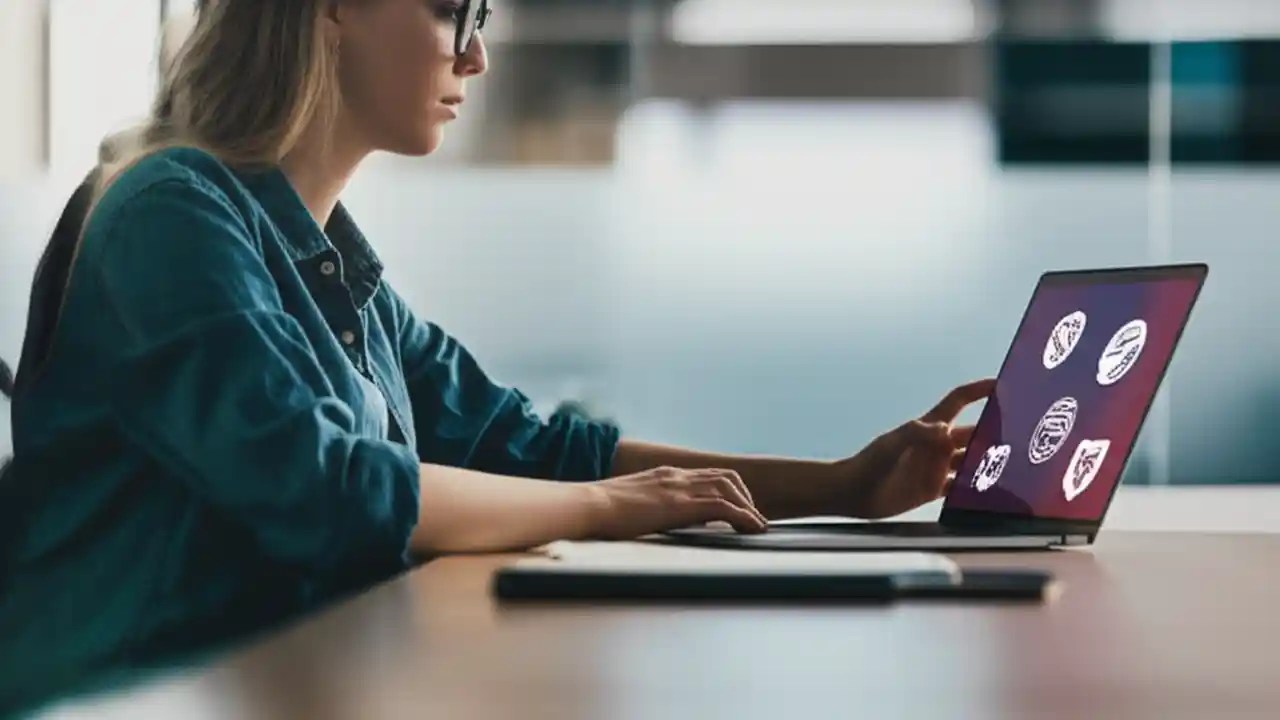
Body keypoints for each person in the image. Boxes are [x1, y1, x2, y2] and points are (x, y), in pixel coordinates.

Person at [1, 0, 992, 677]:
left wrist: (840, 486)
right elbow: (327, 489)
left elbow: (529, 447)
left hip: (272, 685)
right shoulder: (168, 212)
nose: (475, 56)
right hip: (130, 697)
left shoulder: (330, 267)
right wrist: (607, 509)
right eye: (454, 11)